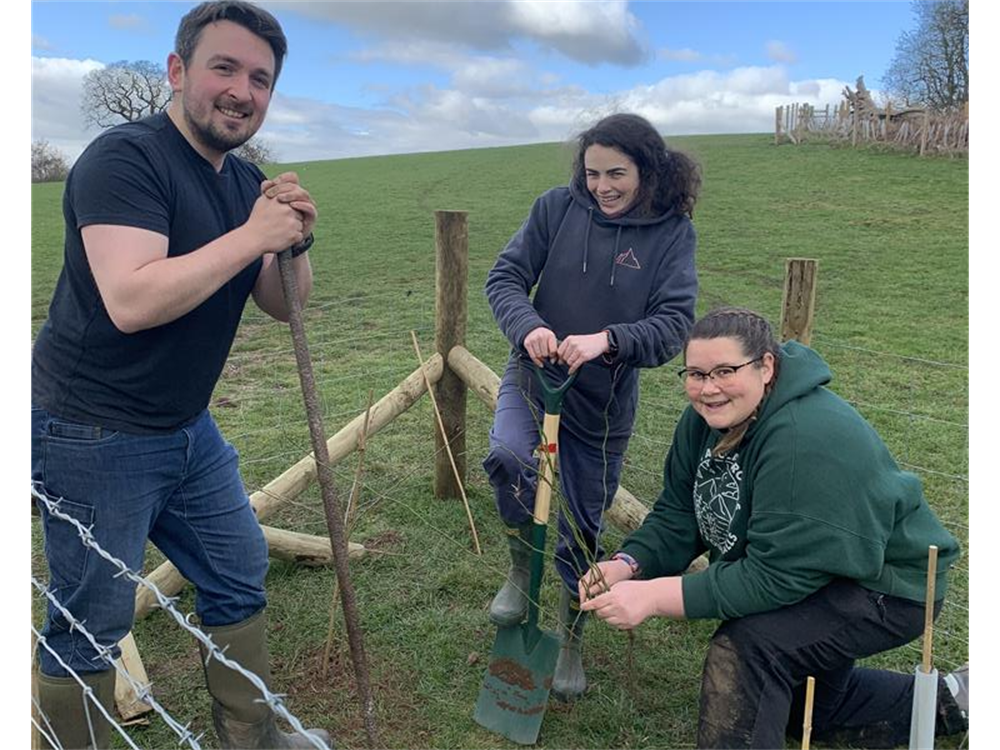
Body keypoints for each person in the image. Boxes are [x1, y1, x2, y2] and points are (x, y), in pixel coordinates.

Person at [29, 3, 329, 748]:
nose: (242, 90)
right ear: (177, 71)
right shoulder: (124, 159)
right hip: (90, 429)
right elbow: (130, 301)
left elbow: (281, 307)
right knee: (89, 619)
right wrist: (253, 234)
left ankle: (250, 734)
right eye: (224, 68)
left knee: (237, 568)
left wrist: (292, 241)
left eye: (260, 78)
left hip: (185, 424)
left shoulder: (243, 183)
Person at [580, 307, 969, 749]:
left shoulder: (801, 437)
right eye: (695, 374)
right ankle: (956, 700)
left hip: (886, 585)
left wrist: (653, 597)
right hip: (817, 569)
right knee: (811, 710)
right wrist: (629, 564)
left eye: (726, 371)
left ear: (766, 366)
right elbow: (678, 514)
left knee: (749, 649)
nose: (708, 389)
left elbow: (773, 576)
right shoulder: (704, 422)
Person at [483, 113, 700, 700]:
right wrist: (528, 325)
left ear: (647, 171)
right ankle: (517, 566)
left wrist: (609, 340)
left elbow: (674, 323)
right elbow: (504, 278)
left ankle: (570, 634)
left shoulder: (671, 233)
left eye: (617, 174)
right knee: (509, 459)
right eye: (593, 173)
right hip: (535, 375)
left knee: (582, 525)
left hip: (601, 403)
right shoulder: (555, 208)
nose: (602, 186)